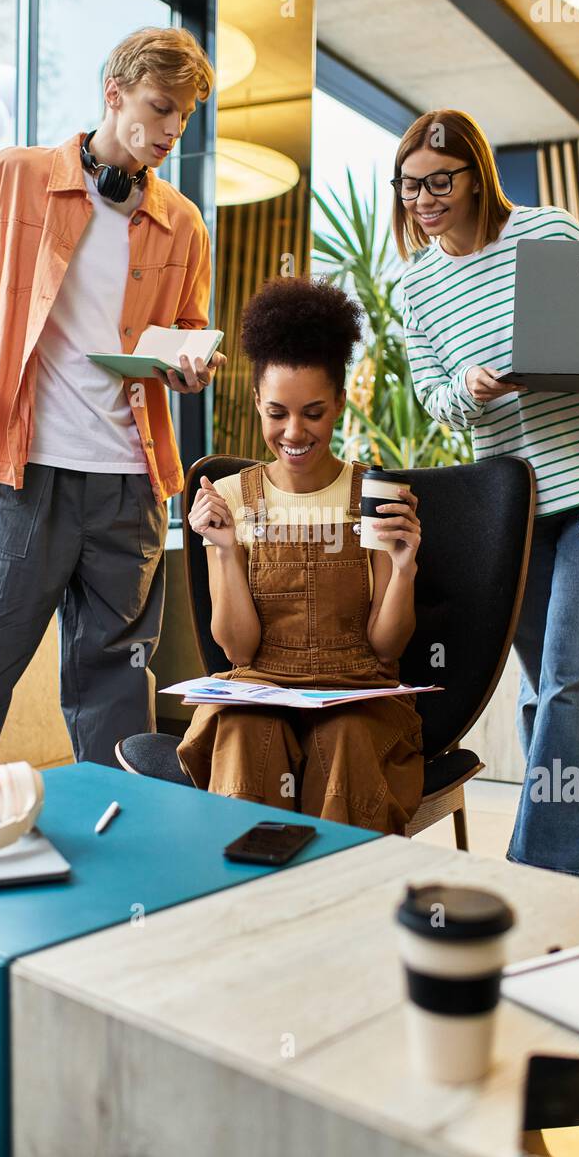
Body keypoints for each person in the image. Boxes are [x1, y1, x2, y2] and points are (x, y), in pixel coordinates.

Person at [0, 26, 225, 790]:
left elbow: (182, 336)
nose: (173, 129)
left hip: (131, 486)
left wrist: (189, 367)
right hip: (20, 474)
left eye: (185, 117)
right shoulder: (16, 178)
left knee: (118, 687)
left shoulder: (185, 225)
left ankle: (122, 847)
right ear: (115, 93)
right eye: (160, 108)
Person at [394, 108, 579, 877]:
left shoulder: (547, 233)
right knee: (541, 687)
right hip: (514, 501)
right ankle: (550, 859)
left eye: (439, 182)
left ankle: (543, 872)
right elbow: (435, 396)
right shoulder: (415, 287)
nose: (423, 199)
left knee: (574, 680)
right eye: (409, 186)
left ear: (476, 177)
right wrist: (469, 387)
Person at [129, 275, 425, 834]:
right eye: (277, 413)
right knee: (244, 734)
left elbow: (388, 647)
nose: (294, 431)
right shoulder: (235, 497)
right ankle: (245, 897)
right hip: (261, 684)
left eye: (313, 412)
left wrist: (404, 567)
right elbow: (238, 648)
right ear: (258, 406)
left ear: (340, 401)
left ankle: (334, 897)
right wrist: (220, 550)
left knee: (346, 741)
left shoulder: (374, 497)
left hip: (357, 690)